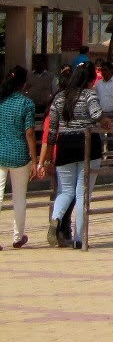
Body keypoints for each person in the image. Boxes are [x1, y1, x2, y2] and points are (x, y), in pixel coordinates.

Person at [45, 62, 103, 249]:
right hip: (88, 145)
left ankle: (56, 219)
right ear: (90, 79)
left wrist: (48, 157)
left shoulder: (60, 97)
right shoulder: (89, 94)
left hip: (65, 146)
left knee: (65, 191)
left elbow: (52, 130)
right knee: (83, 193)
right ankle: (79, 238)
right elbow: (96, 114)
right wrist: (106, 120)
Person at [1, 66, 40, 248]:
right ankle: (18, 237)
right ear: (24, 83)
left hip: (0, 152)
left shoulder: (1, 101)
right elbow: (30, 133)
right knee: (19, 197)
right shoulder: (26, 103)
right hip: (19, 155)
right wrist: (35, 159)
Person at [93, 60, 113, 157]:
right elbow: (95, 99)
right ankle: (100, 156)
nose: (103, 72)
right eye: (102, 70)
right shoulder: (98, 84)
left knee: (111, 138)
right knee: (100, 137)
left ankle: (111, 156)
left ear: (111, 71)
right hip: (101, 114)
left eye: (106, 70)